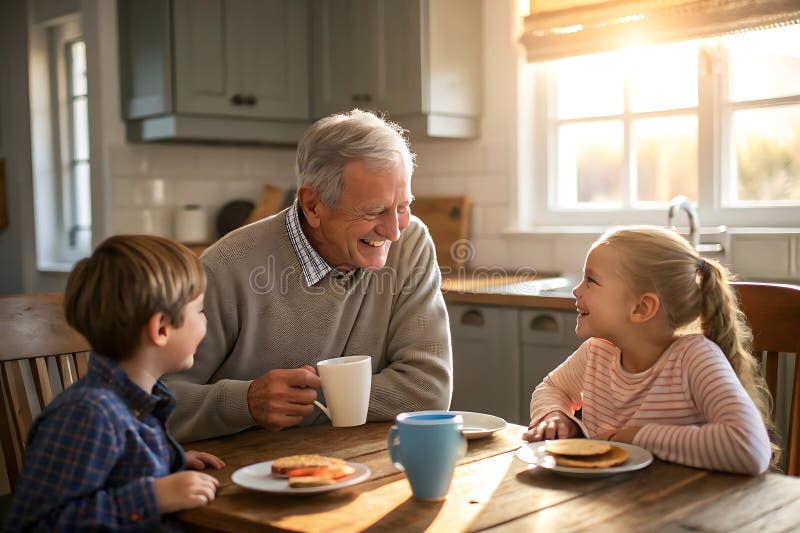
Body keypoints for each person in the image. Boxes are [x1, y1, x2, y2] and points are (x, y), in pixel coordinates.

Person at [165, 109, 452, 442]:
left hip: (365, 462)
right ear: (313, 205)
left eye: (402, 206)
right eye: (374, 211)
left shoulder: (411, 243)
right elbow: (153, 401)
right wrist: (244, 402)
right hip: (241, 474)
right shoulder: (225, 267)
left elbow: (427, 390)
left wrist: (306, 400)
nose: (393, 231)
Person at [4, 235, 225, 531]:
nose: (205, 321)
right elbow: (37, 525)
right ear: (161, 329)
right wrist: (152, 496)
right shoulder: (88, 414)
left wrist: (167, 462)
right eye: (199, 310)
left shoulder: (134, 404)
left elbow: (110, 475)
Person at [524, 225, 775, 475]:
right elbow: (551, 388)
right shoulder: (598, 352)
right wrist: (555, 415)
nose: (576, 290)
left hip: (683, 505)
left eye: (591, 280)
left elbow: (749, 446)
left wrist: (636, 437)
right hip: (612, 502)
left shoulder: (694, 358)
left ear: (641, 308)